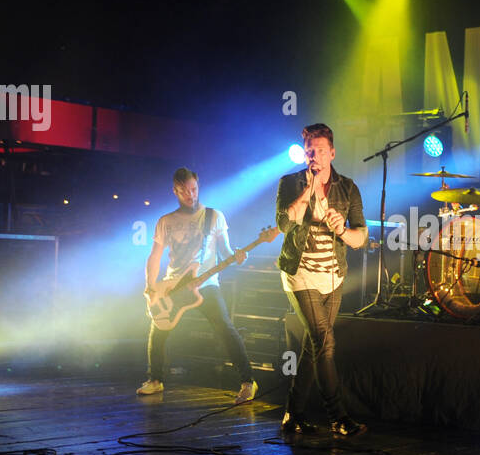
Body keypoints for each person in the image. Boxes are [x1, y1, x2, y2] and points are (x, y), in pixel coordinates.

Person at [275, 123, 368, 438]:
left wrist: (342, 229)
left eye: (319, 150)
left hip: (333, 276)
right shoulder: (290, 183)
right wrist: (308, 189)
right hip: (300, 273)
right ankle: (338, 418)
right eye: (309, 151)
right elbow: (285, 223)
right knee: (325, 344)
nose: (313, 156)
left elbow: (360, 238)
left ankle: (293, 414)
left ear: (332, 152)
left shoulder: (348, 188)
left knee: (312, 347)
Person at [140, 167, 257, 401]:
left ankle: (248, 382)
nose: (190, 195)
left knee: (225, 328)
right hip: (173, 285)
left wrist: (238, 256)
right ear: (175, 191)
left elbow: (225, 252)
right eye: (184, 191)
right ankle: (155, 380)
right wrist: (151, 286)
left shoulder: (214, 217)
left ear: (198, 186)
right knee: (158, 331)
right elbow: (154, 256)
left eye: (193, 189)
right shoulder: (166, 221)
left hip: (206, 284)